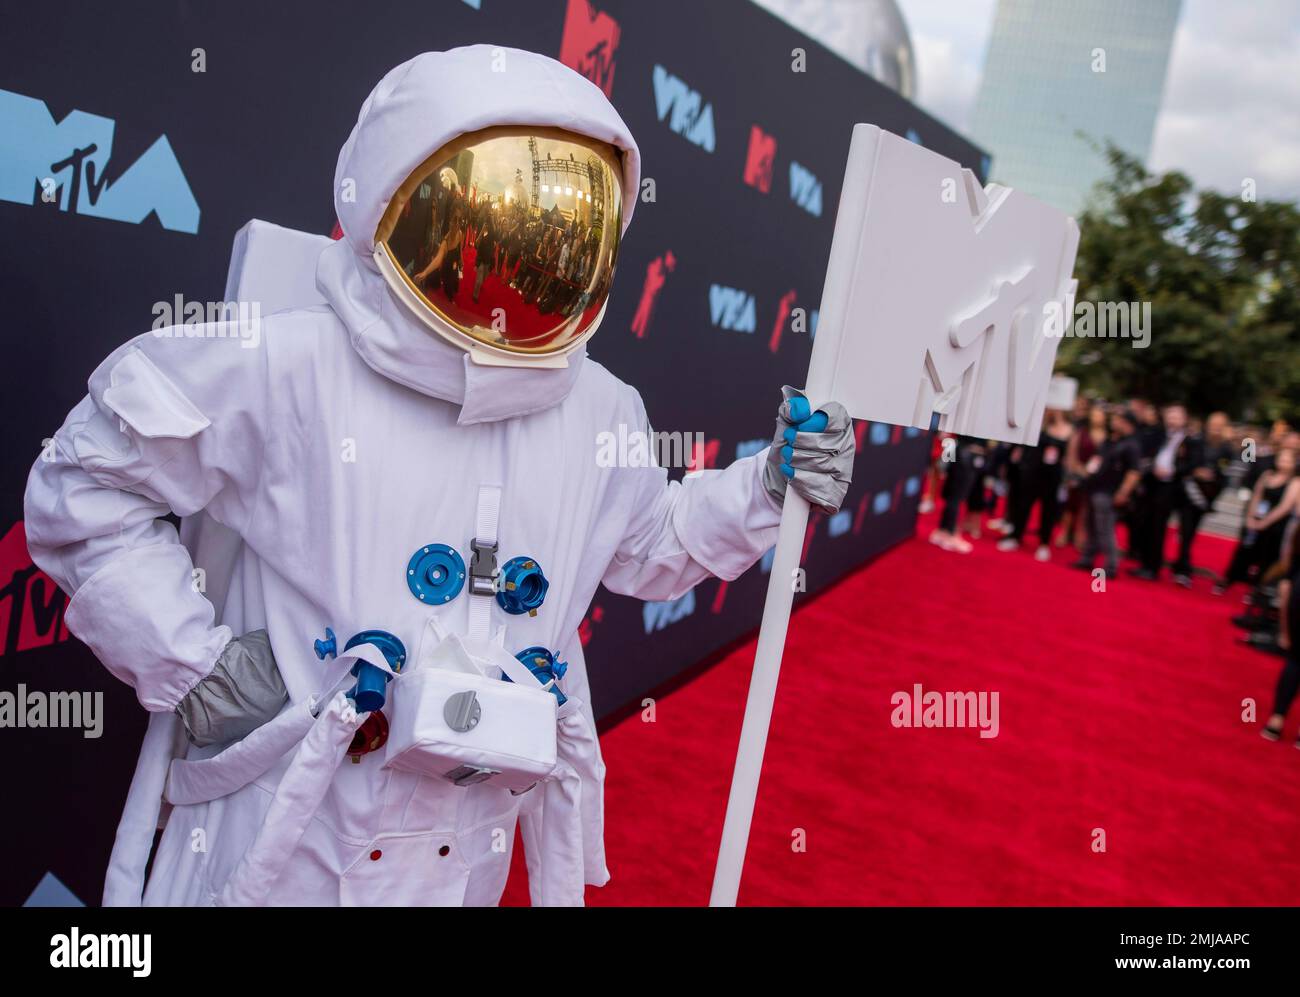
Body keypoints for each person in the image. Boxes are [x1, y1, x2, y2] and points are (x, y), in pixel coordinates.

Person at [23, 46, 856, 908]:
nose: (528, 250)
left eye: (562, 227)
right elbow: (86, 483)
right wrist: (196, 666)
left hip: (466, 842)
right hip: (289, 829)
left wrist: (767, 488)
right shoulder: (293, 367)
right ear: (392, 195)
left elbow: (653, 544)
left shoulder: (597, 410)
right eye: (496, 214)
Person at [1216, 446, 1300, 595]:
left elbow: (1285, 507)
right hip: (1256, 518)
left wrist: (1264, 523)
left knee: (1266, 556)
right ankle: (1230, 579)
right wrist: (1250, 517)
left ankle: (1257, 588)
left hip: (1275, 525)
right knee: (1244, 550)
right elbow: (1256, 496)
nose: (1284, 463)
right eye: (1282, 459)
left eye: (1288, 460)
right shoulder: (1267, 475)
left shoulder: (1295, 482)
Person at [1072, 409, 1141, 579]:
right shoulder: (1109, 441)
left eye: (1118, 419)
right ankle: (1087, 558)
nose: (1114, 422)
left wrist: (1123, 492)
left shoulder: (1131, 445)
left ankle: (1110, 567)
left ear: (1127, 423)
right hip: (1094, 487)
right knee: (1092, 526)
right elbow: (1096, 461)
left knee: (1105, 530)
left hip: (1109, 492)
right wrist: (1085, 474)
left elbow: (1134, 472)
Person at [998, 409, 1073, 561]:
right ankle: (1015, 536)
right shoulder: (1041, 424)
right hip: (1033, 472)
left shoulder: (1070, 430)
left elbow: (1070, 455)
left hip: (1053, 477)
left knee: (1048, 511)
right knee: (1023, 506)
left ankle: (1044, 544)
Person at [1171, 411, 1233, 587]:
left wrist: (1213, 476)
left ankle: (1181, 564)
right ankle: (1183, 568)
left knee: (1190, 531)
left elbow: (1226, 474)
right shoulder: (1195, 441)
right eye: (1213, 425)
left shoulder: (1226, 449)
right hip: (1188, 492)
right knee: (1187, 529)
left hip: (1207, 496)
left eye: (1220, 426)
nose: (1216, 429)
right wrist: (1194, 471)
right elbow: (1181, 463)